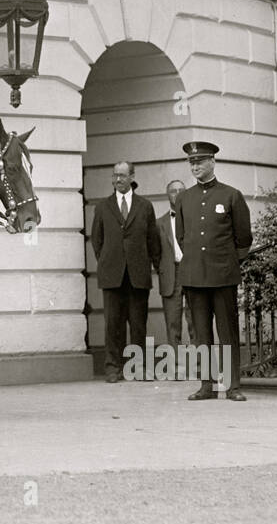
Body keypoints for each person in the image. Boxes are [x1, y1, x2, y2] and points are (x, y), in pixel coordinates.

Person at [175, 141, 253, 402]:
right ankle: (206, 386)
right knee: (202, 333)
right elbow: (182, 236)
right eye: (192, 163)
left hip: (223, 276)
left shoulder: (231, 195)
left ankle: (232, 386)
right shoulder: (185, 198)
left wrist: (226, 263)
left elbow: (243, 239)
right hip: (195, 276)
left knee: (227, 331)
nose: (195, 166)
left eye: (200, 162)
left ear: (212, 163)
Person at [91, 161, 160, 382]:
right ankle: (113, 368)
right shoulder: (102, 207)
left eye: (122, 175)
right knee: (113, 324)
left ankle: (137, 368)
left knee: (138, 324)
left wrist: (150, 265)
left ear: (132, 177)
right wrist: (108, 262)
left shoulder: (145, 206)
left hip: (138, 275)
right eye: (115, 175)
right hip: (112, 275)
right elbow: (97, 240)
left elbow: (153, 241)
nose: (118, 179)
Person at [156, 179, 197, 351]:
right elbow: (154, 252)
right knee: (172, 322)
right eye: (173, 190)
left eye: (181, 190)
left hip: (192, 272)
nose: (178, 193)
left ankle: (200, 362)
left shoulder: (196, 219)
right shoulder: (159, 223)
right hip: (170, 274)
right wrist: (162, 269)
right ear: (167, 195)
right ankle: (175, 365)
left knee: (195, 319)